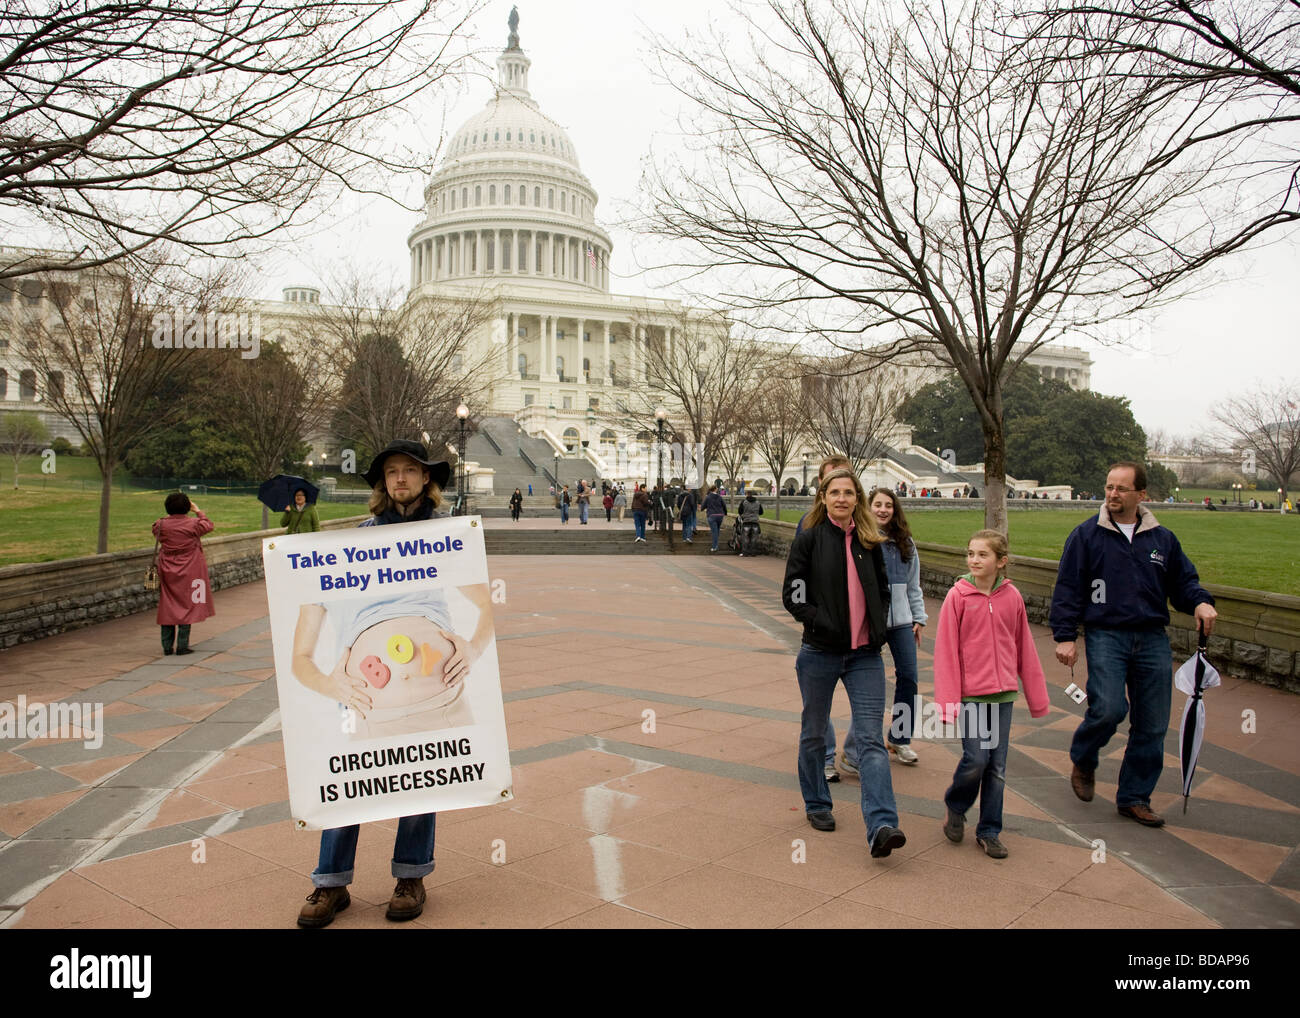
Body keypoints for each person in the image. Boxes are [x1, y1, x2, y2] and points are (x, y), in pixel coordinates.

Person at [296, 439, 458, 928]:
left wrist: (471, 645)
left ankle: (411, 875)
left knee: (421, 779)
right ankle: (330, 883)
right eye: (392, 472)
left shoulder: (452, 537)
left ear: (427, 479)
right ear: (383, 483)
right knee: (348, 779)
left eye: (411, 470)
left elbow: (482, 606)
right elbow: (302, 646)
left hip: (432, 691)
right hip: (360, 694)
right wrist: (329, 683)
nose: (401, 479)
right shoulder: (356, 541)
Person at [1051, 461, 1217, 828]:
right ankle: (1084, 756)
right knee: (1109, 708)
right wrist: (1065, 636)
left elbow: (1184, 583)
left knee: (1153, 723)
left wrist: (1201, 601)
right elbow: (1067, 589)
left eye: (1121, 488)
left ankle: (1134, 797)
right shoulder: (1086, 536)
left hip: (1152, 637)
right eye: (1109, 487)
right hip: (1106, 634)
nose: (1112, 494)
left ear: (1142, 494)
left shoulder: (1162, 539)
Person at [782, 468, 907, 858]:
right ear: (823, 498)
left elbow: (884, 588)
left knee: (870, 740)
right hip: (819, 652)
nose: (841, 499)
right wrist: (818, 619)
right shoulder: (809, 539)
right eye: (834, 492)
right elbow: (793, 591)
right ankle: (818, 803)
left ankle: (882, 824)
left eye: (848, 493)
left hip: (865, 655)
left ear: (857, 499)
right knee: (814, 732)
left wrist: (879, 622)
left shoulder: (870, 542)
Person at [932, 530, 1049, 859]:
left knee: (997, 767)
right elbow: (945, 653)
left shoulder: (1013, 598)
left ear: (1001, 561)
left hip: (1004, 697)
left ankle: (989, 830)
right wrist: (948, 704)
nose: (974, 560)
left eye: (982, 555)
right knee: (977, 760)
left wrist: (1037, 698)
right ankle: (956, 805)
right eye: (970, 553)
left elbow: (1025, 647)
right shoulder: (958, 596)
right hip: (972, 697)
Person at [836, 488, 928, 777]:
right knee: (869, 686)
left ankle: (899, 738)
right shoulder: (861, 539)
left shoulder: (905, 544)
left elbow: (913, 586)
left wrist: (919, 617)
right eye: (878, 504)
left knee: (909, 679)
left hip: (901, 620)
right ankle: (854, 750)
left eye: (889, 505)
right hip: (871, 621)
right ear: (868, 506)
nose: (883, 510)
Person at [153, 492, 214, 656]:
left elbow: (157, 531)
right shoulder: (194, 524)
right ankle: (182, 644)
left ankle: (167, 646)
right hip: (191, 568)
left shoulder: (160, 525)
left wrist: (170, 516)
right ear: (187, 507)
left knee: (168, 604)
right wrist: (198, 511)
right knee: (188, 604)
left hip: (167, 569)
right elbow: (208, 525)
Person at [737, 490, 763, 556]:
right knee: (754, 539)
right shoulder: (758, 502)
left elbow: (740, 511)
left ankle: (745, 552)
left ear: (747, 494)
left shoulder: (744, 502)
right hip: (755, 522)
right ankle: (753, 552)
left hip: (746, 522)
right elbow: (761, 512)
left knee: (745, 538)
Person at [703, 484, 727, 552]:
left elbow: (703, 506)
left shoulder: (708, 497)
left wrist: (702, 508)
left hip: (712, 515)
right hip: (720, 515)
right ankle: (716, 544)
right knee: (717, 530)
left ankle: (714, 546)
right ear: (715, 489)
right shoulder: (719, 497)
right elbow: (724, 505)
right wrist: (725, 513)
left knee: (714, 532)